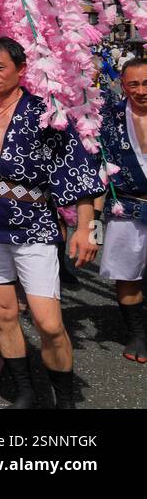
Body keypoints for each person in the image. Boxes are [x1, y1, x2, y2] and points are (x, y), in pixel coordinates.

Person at [0, 36, 101, 408]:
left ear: (21, 70)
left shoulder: (45, 112)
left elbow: (78, 170)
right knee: (2, 312)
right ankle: (24, 388)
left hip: (34, 222)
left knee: (49, 322)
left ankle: (65, 398)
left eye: (0, 67)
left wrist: (87, 227)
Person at [98, 56, 147, 364]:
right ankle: (138, 333)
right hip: (128, 204)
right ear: (123, 85)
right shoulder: (110, 118)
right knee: (127, 273)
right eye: (134, 84)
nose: (142, 90)